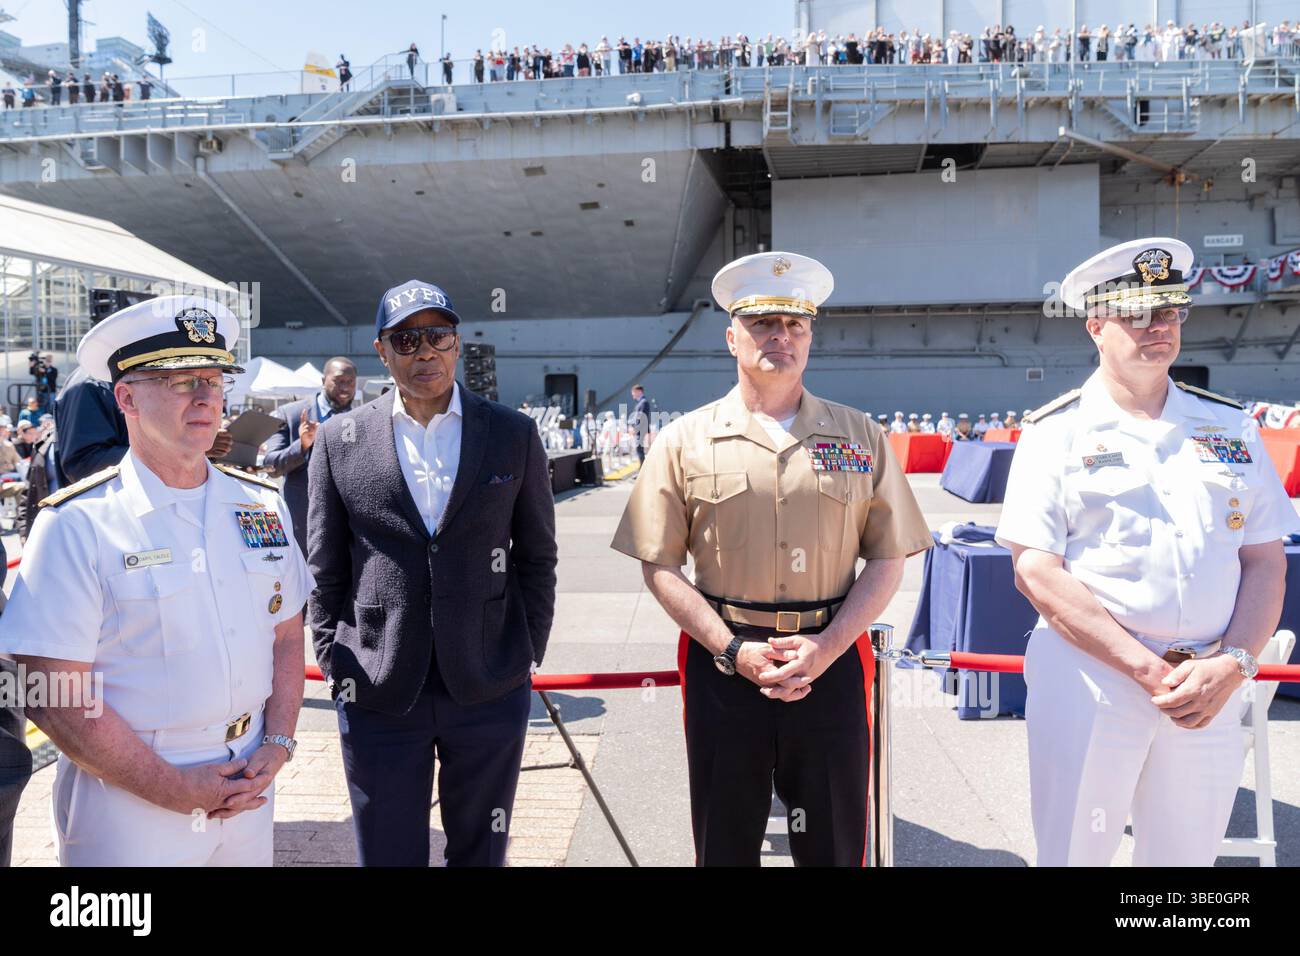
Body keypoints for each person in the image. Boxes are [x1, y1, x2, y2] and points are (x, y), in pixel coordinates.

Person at [611, 251, 932, 866]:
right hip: (724, 662)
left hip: (831, 659)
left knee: (836, 841)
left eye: (795, 325)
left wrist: (828, 648)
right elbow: (659, 564)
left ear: (810, 336)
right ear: (732, 336)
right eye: (762, 323)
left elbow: (889, 558)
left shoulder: (860, 437)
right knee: (724, 841)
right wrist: (732, 649)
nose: (780, 338)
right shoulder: (684, 440)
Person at [996, 237, 1294, 866]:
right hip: (1094, 680)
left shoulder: (1229, 424)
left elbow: (1266, 559)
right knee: (1077, 853)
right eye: (1136, 312)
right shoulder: (1056, 432)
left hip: (1208, 681)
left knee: (1183, 870)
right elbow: (1036, 569)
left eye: (1170, 310)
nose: (1157, 327)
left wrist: (1234, 662)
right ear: (1095, 323)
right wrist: (1144, 668)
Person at [0, 294, 312, 865]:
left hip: (248, 784)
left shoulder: (261, 506)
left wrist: (279, 742)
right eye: (178, 381)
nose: (203, 397)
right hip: (129, 803)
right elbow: (51, 690)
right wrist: (173, 788)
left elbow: (288, 636)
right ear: (126, 398)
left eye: (213, 380)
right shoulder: (77, 524)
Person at [308, 279, 557, 867]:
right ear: (382, 350)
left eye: (438, 336)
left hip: (489, 680)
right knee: (389, 853)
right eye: (408, 338)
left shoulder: (511, 434)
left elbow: (537, 556)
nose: (426, 352)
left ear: (457, 342)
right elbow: (324, 566)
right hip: (377, 685)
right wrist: (332, 656)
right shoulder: (341, 440)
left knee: (480, 851)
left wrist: (526, 649)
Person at [261, 357, 356, 560]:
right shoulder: (291, 414)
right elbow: (270, 464)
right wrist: (302, 445)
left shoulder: (358, 418)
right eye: (339, 380)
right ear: (323, 380)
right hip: (302, 526)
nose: (346, 387)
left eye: (351, 381)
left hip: (347, 527)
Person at [630, 383, 651, 464]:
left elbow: (641, 417)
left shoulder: (643, 402)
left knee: (639, 449)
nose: (632, 395)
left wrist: (636, 428)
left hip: (640, 429)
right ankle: (642, 469)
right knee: (639, 449)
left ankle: (642, 469)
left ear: (638, 391)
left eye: (633, 392)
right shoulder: (640, 402)